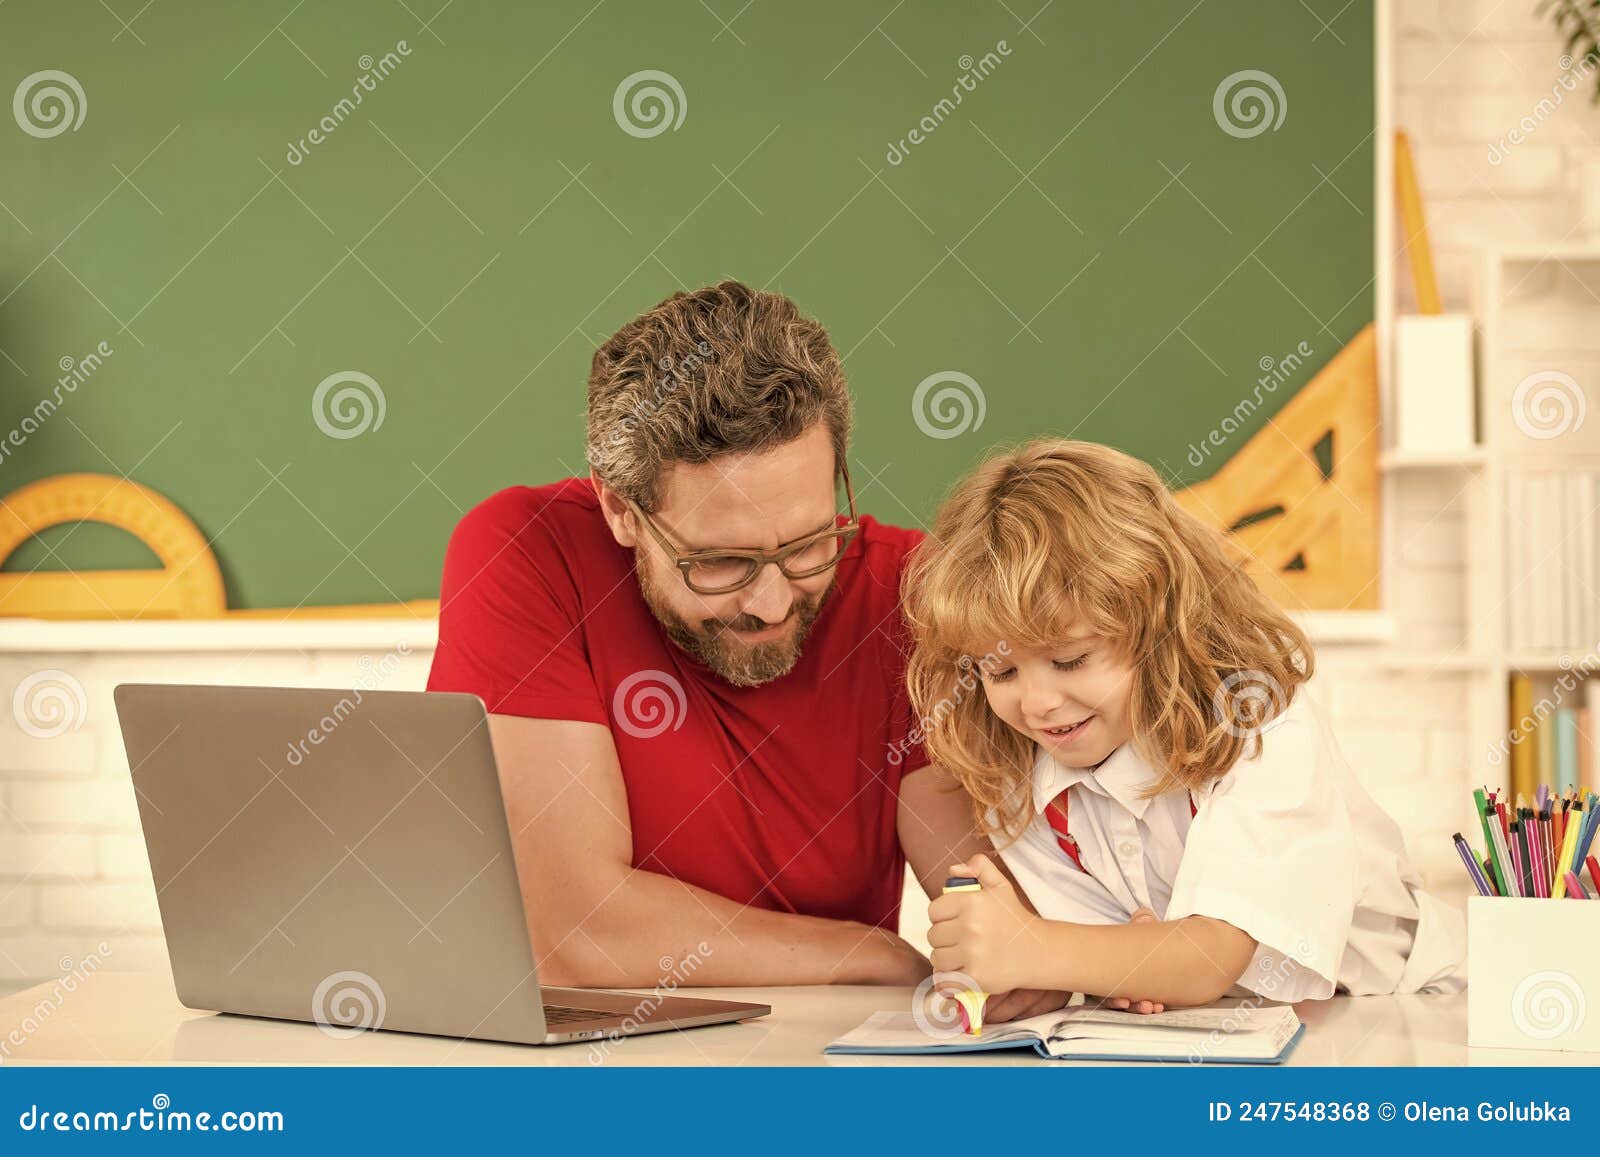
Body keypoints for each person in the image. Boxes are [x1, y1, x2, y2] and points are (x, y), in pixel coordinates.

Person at [426, 280, 1059, 1018]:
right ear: (620, 508)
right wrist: (868, 951)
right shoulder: (530, 552)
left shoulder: (908, 589)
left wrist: (1032, 950)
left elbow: (989, 907)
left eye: (809, 543)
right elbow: (573, 932)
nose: (772, 601)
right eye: (719, 562)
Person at [906, 439, 1467, 1008]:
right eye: (1001, 672)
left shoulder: (1261, 726)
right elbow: (1129, 957)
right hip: (1242, 1027)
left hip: (1406, 1008)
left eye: (1069, 660)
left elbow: (1207, 959)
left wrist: (1034, 948)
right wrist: (1130, 971)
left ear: (1158, 623)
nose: (1037, 703)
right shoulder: (1027, 773)